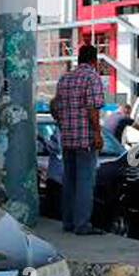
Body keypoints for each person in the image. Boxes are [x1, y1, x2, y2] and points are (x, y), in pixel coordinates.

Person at [51, 44, 104, 234]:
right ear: (94, 60)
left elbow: (54, 105)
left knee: (70, 181)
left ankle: (68, 222)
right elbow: (92, 109)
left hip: (67, 139)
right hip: (85, 139)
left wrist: (63, 121)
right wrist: (97, 133)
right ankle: (82, 225)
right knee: (85, 183)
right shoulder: (92, 77)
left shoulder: (65, 79)